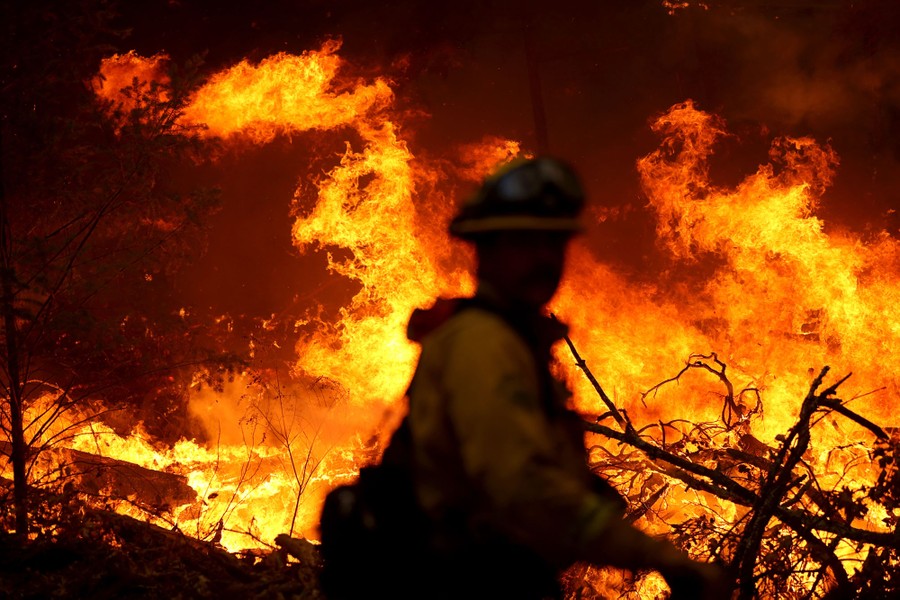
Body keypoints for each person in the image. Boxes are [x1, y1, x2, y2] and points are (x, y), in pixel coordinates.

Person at [400, 156, 729, 599]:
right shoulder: (483, 344)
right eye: (524, 242)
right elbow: (521, 489)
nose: (543, 259)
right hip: (462, 580)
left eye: (552, 244)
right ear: (486, 250)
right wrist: (659, 556)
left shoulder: (512, 341)